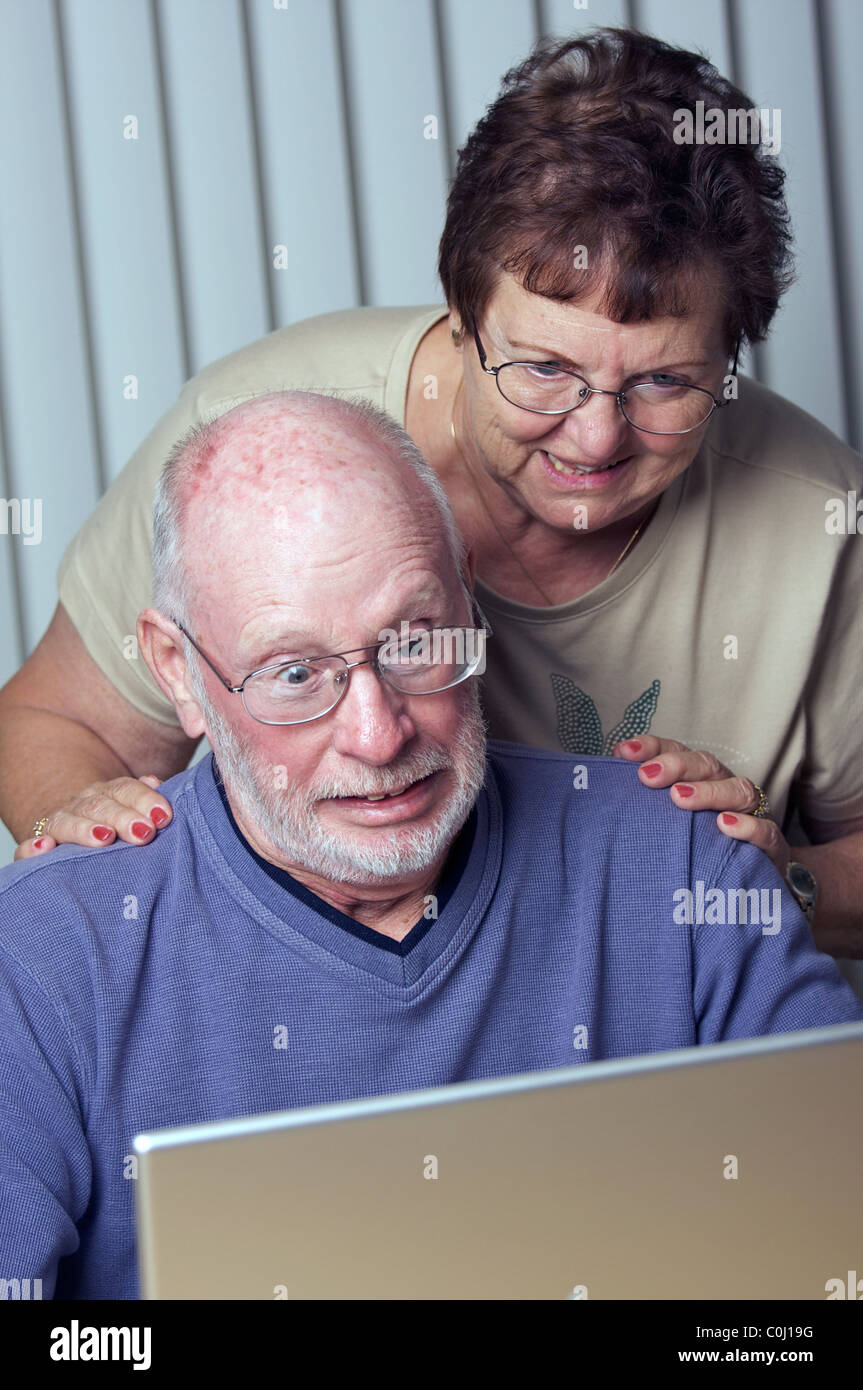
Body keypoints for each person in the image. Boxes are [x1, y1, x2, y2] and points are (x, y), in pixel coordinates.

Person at [1, 28, 862, 962]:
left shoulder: (817, 519)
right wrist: (135, 886)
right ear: (457, 317)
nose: (595, 436)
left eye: (664, 383)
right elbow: (55, 722)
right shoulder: (254, 447)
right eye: (541, 369)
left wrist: (770, 886)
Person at [0, 391, 859, 1299]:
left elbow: (823, 1275)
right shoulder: (46, 955)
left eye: (414, 642)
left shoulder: (687, 867)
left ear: (470, 596)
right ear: (178, 674)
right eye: (294, 674)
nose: (377, 738)